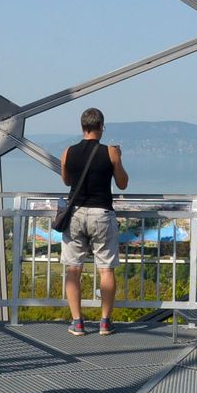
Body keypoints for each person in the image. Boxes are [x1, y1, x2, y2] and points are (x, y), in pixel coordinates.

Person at [60, 107, 129, 337]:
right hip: (101, 213)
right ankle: (105, 322)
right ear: (101, 127)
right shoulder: (110, 152)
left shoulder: (68, 152)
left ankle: (77, 322)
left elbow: (66, 180)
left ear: (83, 127)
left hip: (75, 214)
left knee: (73, 269)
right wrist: (118, 159)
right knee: (106, 269)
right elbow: (122, 183)